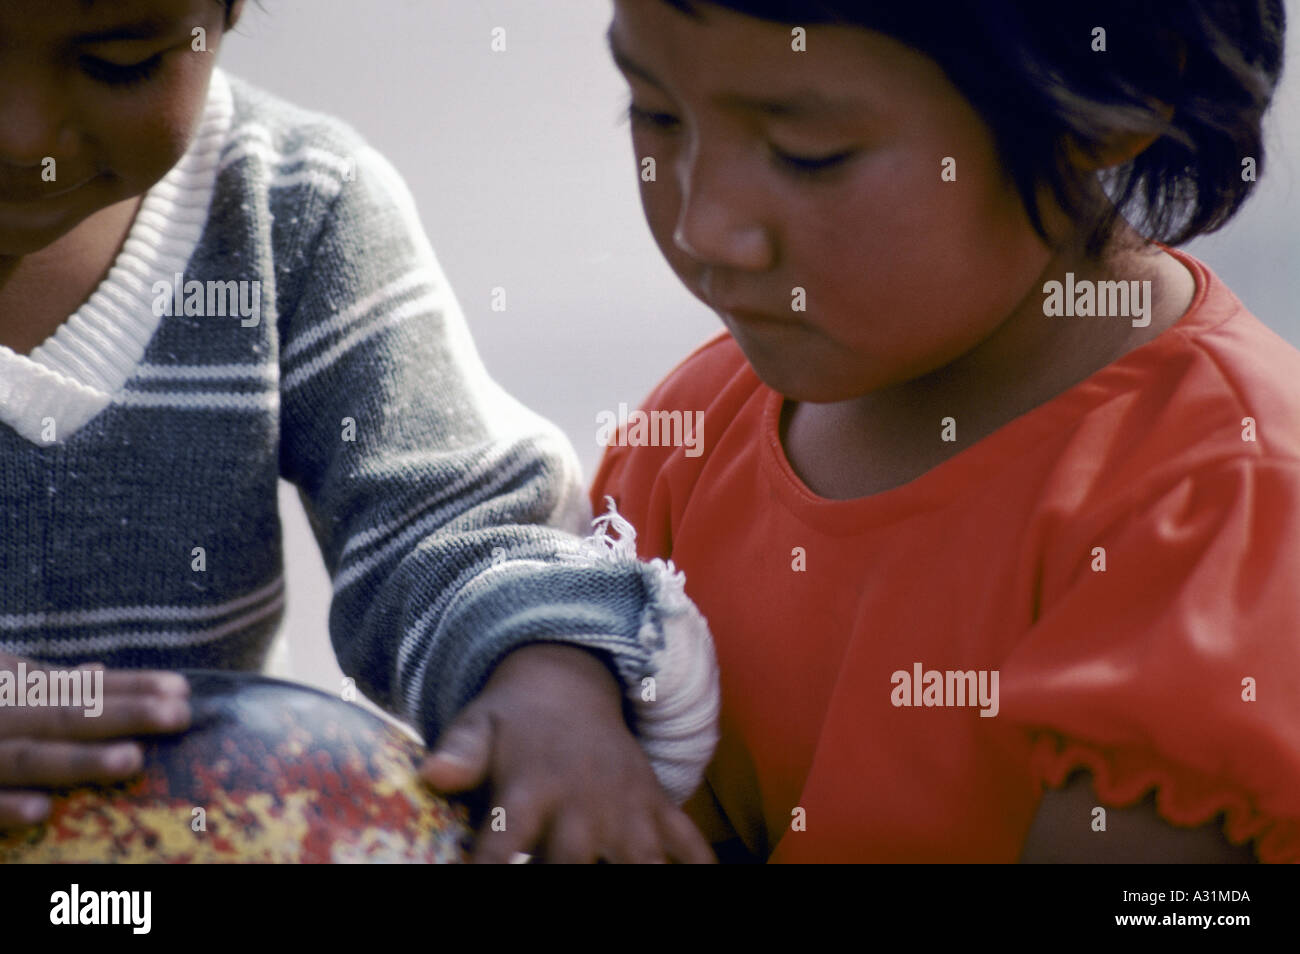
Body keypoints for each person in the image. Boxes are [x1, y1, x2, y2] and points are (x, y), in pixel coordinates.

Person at [0, 0, 719, 864]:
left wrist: (542, 674)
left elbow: (447, 527)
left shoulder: (295, 209)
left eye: (120, 61)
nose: (23, 136)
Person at [592, 0, 1298, 862]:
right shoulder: (693, 430)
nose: (706, 226)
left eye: (809, 154)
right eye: (657, 115)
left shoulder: (1226, 501)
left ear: (1113, 98)